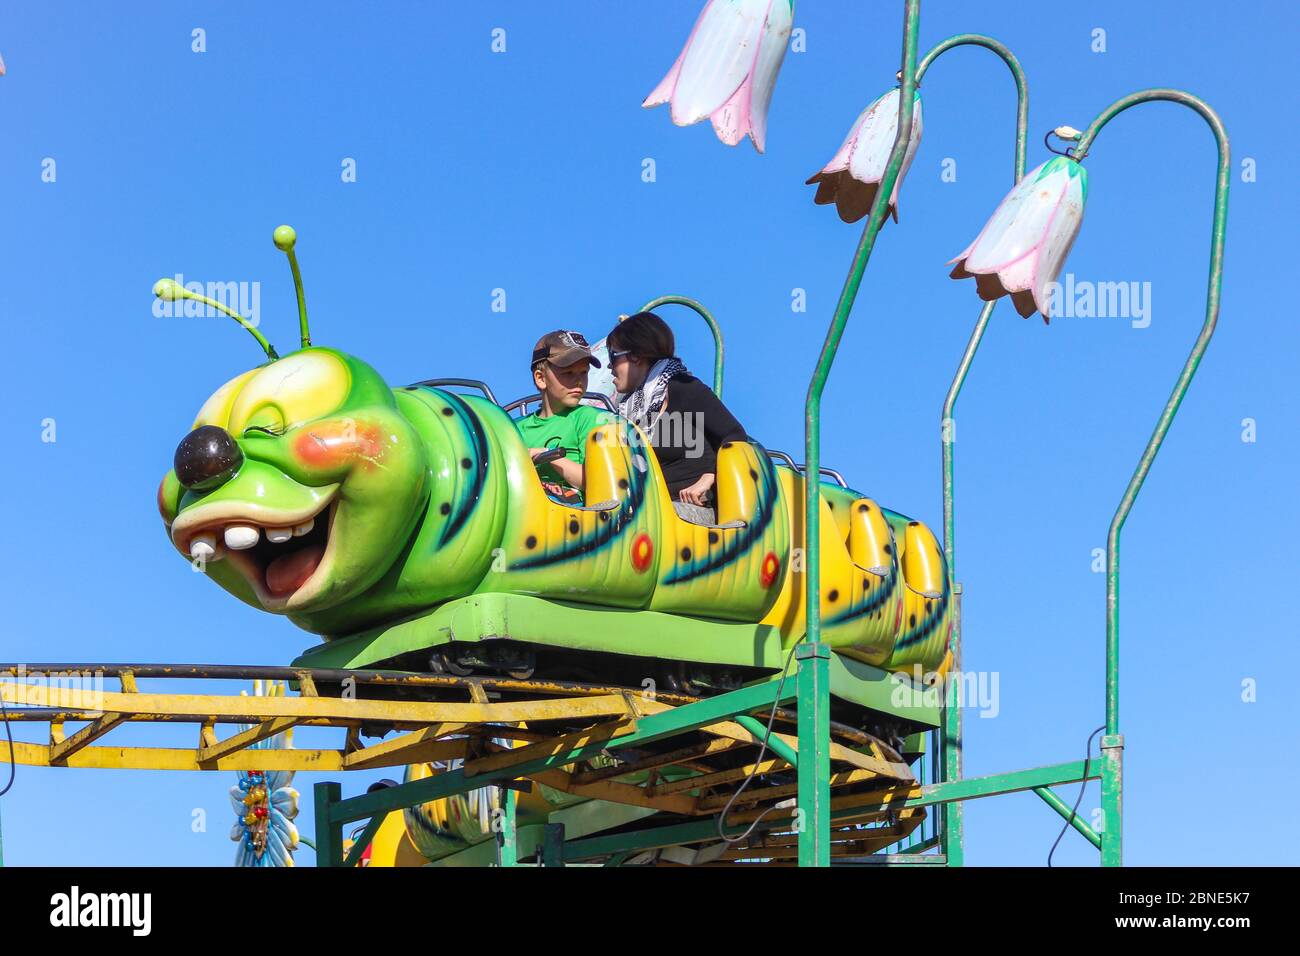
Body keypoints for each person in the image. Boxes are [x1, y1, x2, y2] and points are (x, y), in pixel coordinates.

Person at [605, 311, 748, 524]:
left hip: (692, 513)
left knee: (635, 524)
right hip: (653, 510)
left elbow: (734, 436)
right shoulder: (626, 410)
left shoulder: (683, 388)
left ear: (636, 355)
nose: (609, 367)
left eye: (613, 357)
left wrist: (709, 478)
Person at [515, 330, 609, 504]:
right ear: (541, 378)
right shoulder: (516, 429)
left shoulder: (589, 419)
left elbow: (594, 481)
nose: (579, 381)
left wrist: (548, 456)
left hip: (574, 518)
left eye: (584, 372)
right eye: (568, 373)